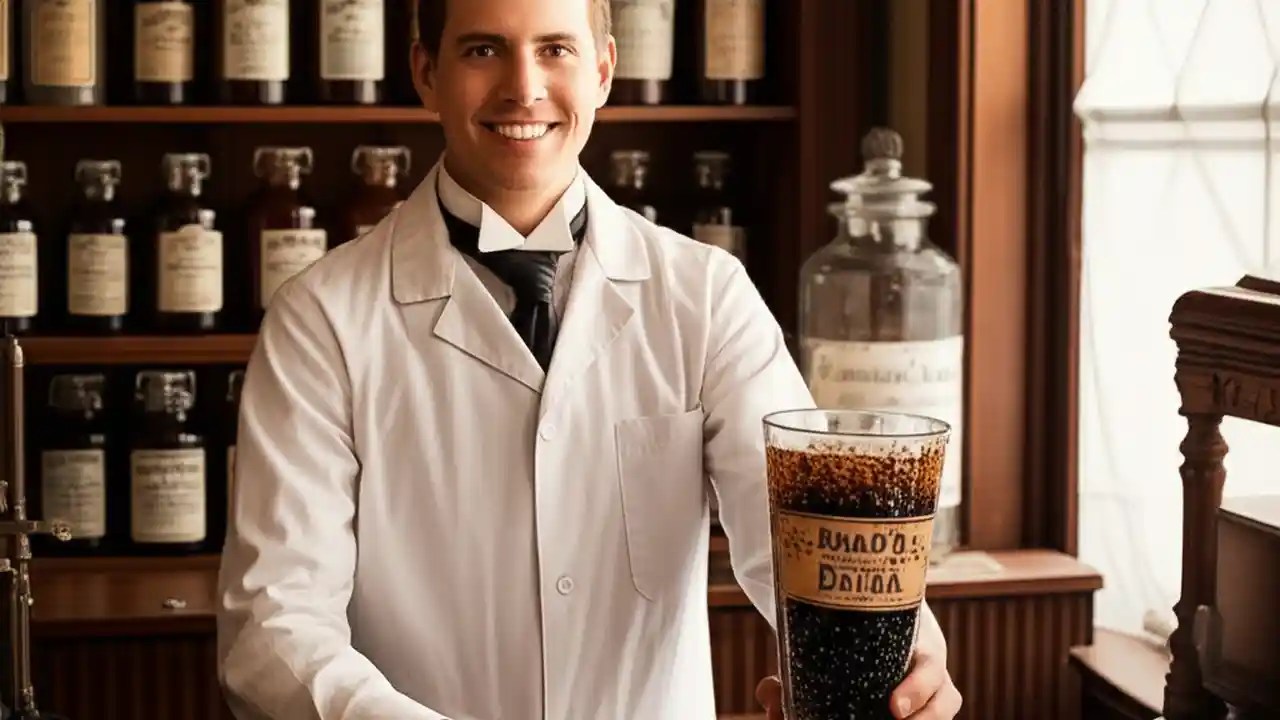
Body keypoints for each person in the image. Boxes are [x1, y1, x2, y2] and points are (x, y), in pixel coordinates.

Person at [215, 0, 963, 717]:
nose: (523, 87)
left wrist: (905, 650)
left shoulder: (704, 294)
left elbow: (797, 537)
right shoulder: (321, 319)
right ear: (425, 72)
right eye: (483, 49)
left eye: (555, 48)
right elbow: (274, 632)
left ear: (604, 70)